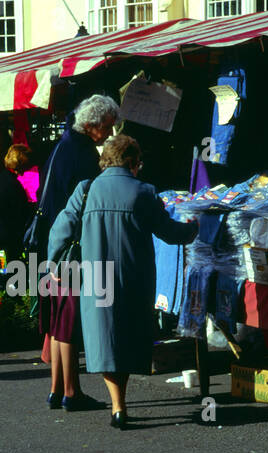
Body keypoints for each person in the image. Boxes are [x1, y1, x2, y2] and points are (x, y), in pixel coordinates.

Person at [49, 133, 198, 429]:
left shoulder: (86, 189)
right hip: (135, 276)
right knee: (130, 338)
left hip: (96, 278)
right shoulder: (144, 191)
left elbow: (61, 229)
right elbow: (168, 232)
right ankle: (120, 404)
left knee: (106, 339)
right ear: (131, 160)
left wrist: (53, 263)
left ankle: (118, 405)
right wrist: (192, 229)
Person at [34, 94, 121, 411]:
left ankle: (57, 389)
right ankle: (72, 392)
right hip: (70, 248)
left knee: (57, 321)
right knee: (68, 322)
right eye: (108, 127)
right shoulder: (82, 153)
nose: (110, 134)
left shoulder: (62, 144)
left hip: (53, 246)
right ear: (93, 124)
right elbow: (83, 206)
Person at [0, 143, 33, 261]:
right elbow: (20, 212)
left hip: (3, 234)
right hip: (12, 237)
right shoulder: (12, 183)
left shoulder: (2, 177)